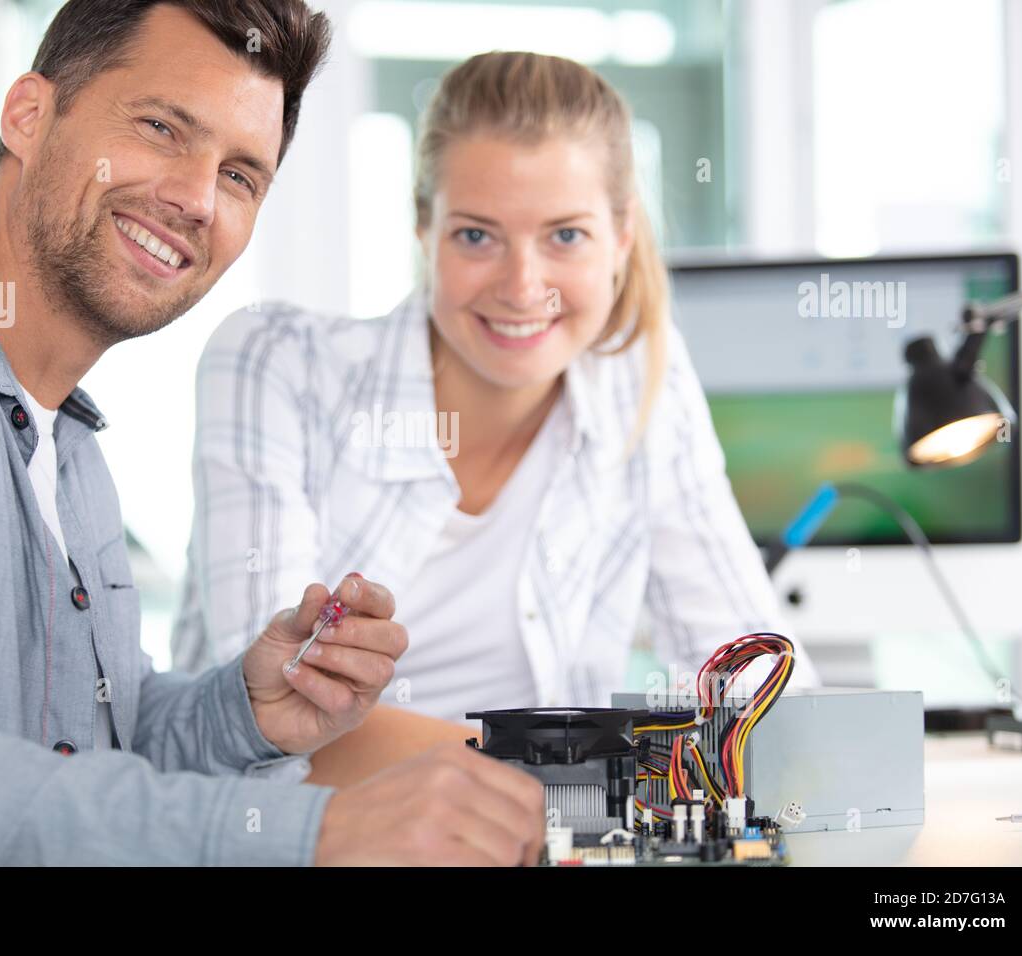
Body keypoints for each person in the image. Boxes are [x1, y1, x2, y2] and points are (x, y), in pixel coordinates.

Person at [0, 0, 545, 867]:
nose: (197, 198)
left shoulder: (72, 445)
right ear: (28, 114)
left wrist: (243, 714)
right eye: (164, 127)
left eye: (241, 175)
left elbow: (85, 759)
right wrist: (314, 834)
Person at [172, 50, 821, 787]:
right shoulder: (277, 363)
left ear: (623, 237)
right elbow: (269, 717)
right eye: (477, 236)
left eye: (565, 236)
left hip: (532, 835)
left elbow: (754, 684)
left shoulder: (641, 378)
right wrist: (577, 776)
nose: (522, 286)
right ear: (425, 230)